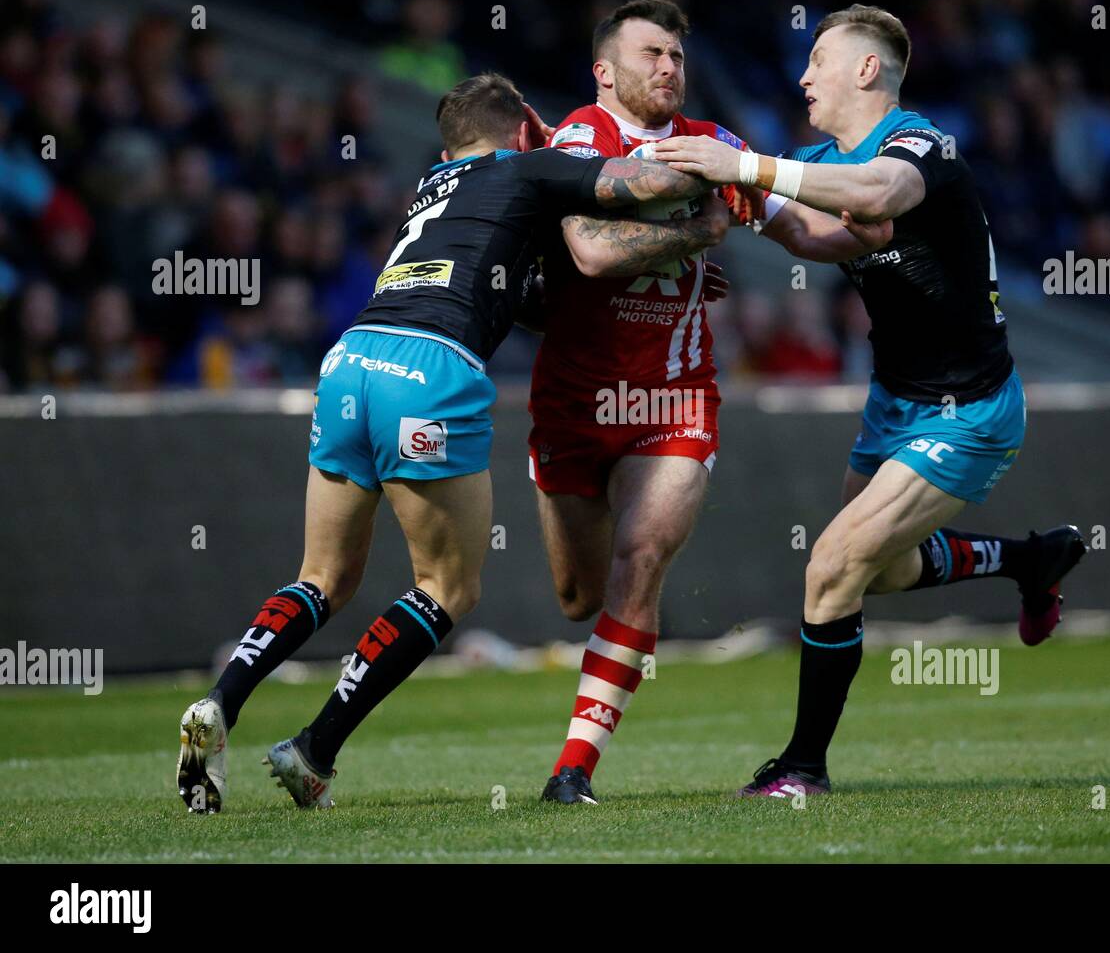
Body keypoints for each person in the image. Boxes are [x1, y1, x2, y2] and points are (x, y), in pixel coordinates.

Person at [174, 72, 727, 812]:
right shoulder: (528, 163)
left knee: (321, 577)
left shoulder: (432, 185)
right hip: (430, 371)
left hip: (351, 361)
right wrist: (712, 203)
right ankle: (315, 749)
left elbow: (508, 292)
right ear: (523, 127)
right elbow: (641, 176)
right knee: (448, 587)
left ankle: (221, 702)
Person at [655, 5, 1087, 798]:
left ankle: (803, 768)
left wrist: (749, 170)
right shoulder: (824, 159)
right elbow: (825, 235)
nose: (802, 75)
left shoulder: (918, 145)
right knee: (878, 573)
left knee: (829, 567)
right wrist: (738, 203)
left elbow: (877, 193)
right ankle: (1030, 559)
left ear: (866, 70)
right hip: (896, 402)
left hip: (969, 409)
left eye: (818, 58)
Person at [526, 0, 776, 806]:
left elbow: (803, 223)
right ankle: (610, 661)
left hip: (673, 397)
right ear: (605, 71)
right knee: (579, 599)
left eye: (676, 54)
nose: (669, 66)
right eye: (651, 54)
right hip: (573, 401)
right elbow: (591, 252)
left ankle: (573, 770)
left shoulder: (718, 144)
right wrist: (697, 233)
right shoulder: (579, 140)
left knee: (641, 560)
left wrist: (876, 226)